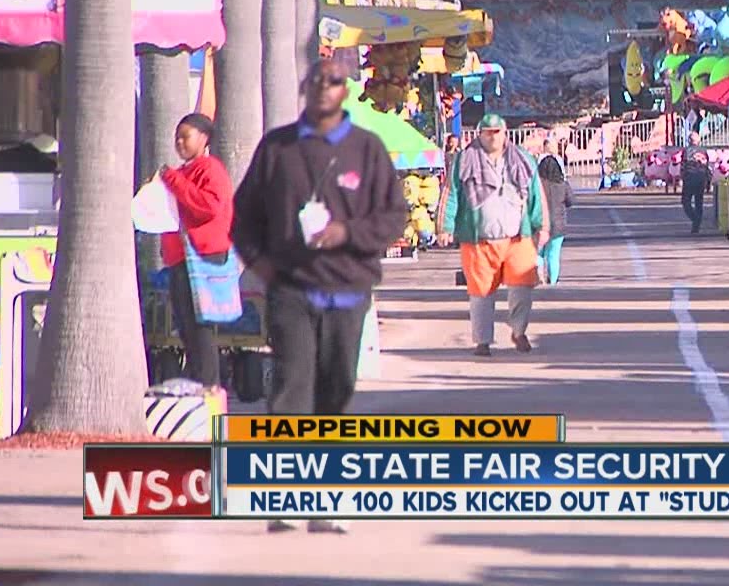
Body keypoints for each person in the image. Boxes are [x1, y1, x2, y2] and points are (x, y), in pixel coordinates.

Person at [231, 58, 406, 534]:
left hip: (348, 290)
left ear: (345, 91)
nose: (324, 88)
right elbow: (243, 216)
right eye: (317, 80)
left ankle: (325, 500)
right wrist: (262, 265)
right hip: (292, 291)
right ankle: (286, 497)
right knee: (291, 389)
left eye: (334, 81)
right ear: (306, 87)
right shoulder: (278, 148)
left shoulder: (367, 150)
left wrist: (347, 232)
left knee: (335, 393)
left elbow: (394, 216)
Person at [436, 113, 549, 357]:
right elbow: (451, 194)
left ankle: (519, 332)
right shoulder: (464, 160)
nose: (492, 136)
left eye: (497, 132)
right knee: (481, 292)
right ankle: (482, 341)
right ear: (480, 134)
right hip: (479, 240)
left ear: (505, 133)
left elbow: (536, 196)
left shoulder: (524, 160)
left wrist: (543, 226)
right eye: (487, 131)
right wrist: (444, 228)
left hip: (518, 238)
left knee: (522, 288)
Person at [158, 113, 234, 389]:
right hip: (180, 258)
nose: (179, 142)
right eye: (177, 137)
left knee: (200, 324)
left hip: (202, 257)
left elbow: (208, 206)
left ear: (203, 139)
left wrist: (174, 182)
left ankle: (209, 382)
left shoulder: (210, 169)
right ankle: (197, 379)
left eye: (185, 136)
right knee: (186, 325)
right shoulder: (180, 173)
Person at [538, 154, 573, 285]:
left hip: (540, 224)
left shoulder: (537, 185)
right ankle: (552, 282)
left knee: (538, 254)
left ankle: (539, 277)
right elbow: (571, 201)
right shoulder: (562, 185)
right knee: (553, 255)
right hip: (559, 226)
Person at [680, 131, 711, 234]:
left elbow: (683, 166)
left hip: (690, 177)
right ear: (698, 141)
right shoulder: (704, 151)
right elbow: (707, 167)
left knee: (686, 201)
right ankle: (696, 226)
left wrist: (682, 177)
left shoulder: (686, 151)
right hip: (701, 178)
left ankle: (695, 219)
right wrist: (708, 182)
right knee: (699, 202)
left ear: (689, 141)